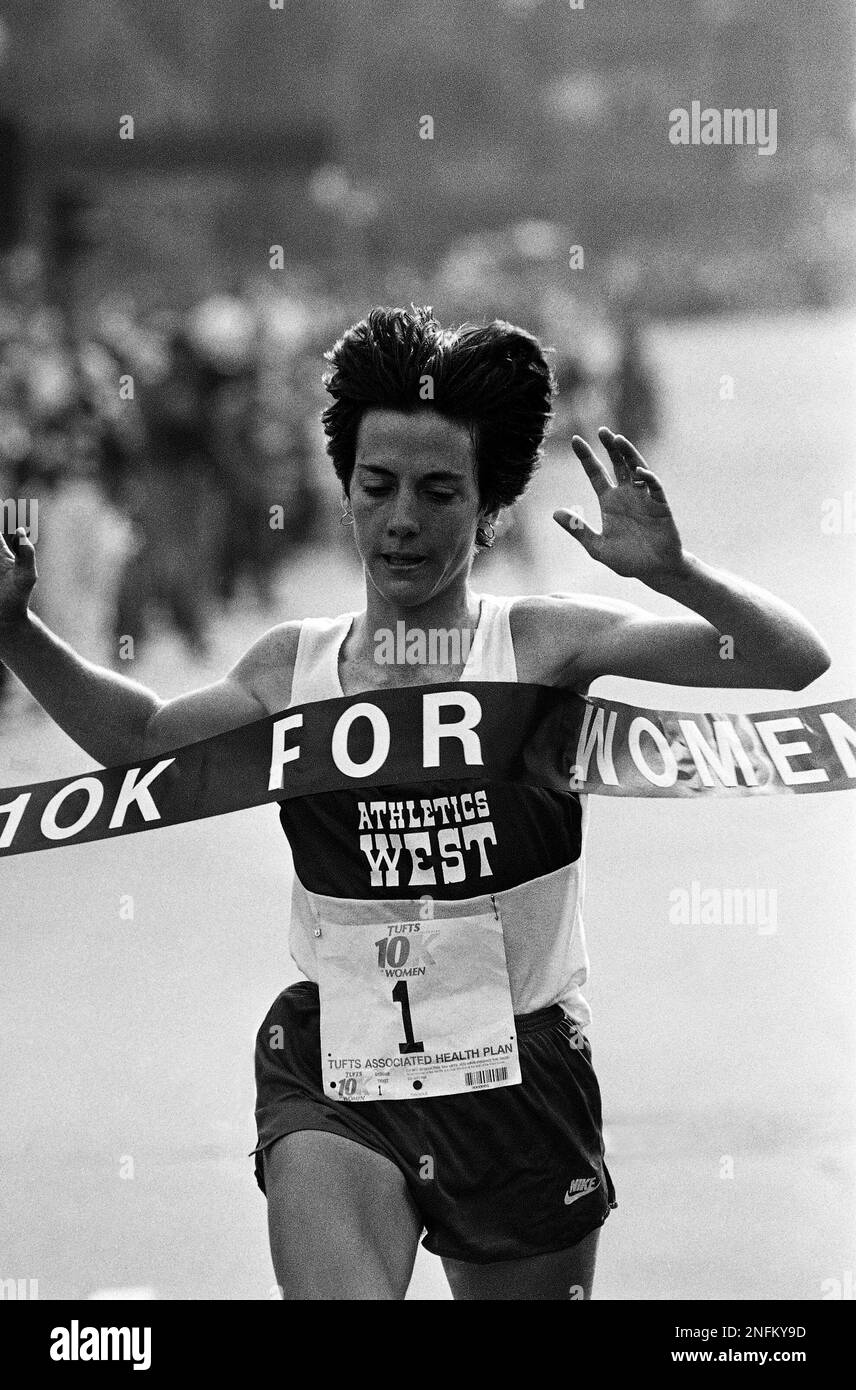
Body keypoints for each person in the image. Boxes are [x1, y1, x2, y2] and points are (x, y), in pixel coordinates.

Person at [0, 306, 831, 1301]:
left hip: (518, 1076)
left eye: (439, 492)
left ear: (487, 512)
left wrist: (673, 573)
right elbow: (136, 742)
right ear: (343, 496)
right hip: (338, 1070)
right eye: (377, 487)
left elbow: (791, 662)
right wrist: (14, 632)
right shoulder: (289, 667)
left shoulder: (541, 645)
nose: (402, 519)